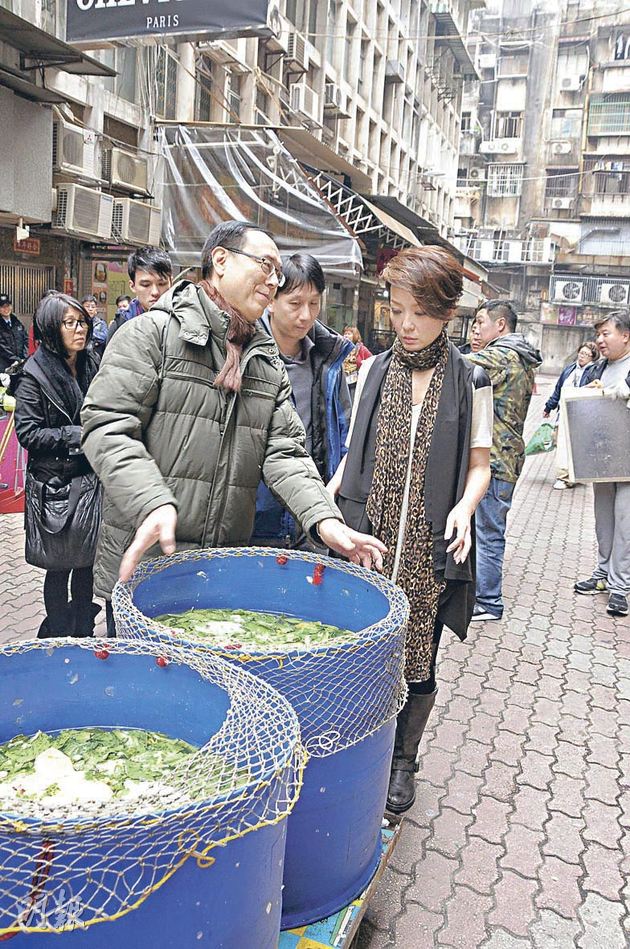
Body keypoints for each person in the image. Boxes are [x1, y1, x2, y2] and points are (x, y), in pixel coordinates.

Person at [81, 221, 386, 636]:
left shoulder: (262, 362)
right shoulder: (152, 334)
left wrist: (325, 521)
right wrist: (151, 501)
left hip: (219, 572)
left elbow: (286, 452)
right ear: (220, 261)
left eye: (277, 272)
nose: (273, 280)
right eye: (266, 264)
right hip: (146, 564)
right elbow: (107, 425)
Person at [328, 246, 492, 814]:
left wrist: (465, 509)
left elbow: (479, 464)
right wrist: (330, 498)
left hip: (428, 548)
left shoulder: (473, 380)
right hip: (371, 539)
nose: (405, 324)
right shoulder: (374, 368)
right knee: (361, 648)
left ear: (447, 312)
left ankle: (403, 759)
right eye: (397, 310)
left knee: (420, 658)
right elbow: (354, 450)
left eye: (418, 312)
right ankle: (361, 746)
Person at [14, 293, 101, 637]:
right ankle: (61, 633)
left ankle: (83, 630)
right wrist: (75, 434)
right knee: (59, 569)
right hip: (54, 487)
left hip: (90, 482)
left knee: (87, 567)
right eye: (70, 323)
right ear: (52, 328)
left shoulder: (90, 362)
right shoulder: (33, 375)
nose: (80, 330)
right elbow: (28, 432)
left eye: (82, 322)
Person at [253, 253, 353, 546]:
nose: (306, 315)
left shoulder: (329, 360)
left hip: (312, 517)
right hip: (256, 515)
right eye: (295, 304)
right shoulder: (246, 352)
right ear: (271, 300)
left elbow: (345, 434)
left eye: (314, 303)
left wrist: (329, 493)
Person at [466, 300, 542, 622]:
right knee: (485, 528)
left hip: (496, 460)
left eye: (480, 322)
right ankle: (479, 592)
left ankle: (489, 601)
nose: (476, 329)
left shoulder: (503, 354)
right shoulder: (520, 356)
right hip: (505, 456)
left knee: (488, 532)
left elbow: (457, 364)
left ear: (500, 325)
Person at [574, 311, 630, 617]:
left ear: (626, 336)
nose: (600, 340)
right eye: (599, 334)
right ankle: (602, 574)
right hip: (605, 458)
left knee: (625, 525)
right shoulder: (599, 367)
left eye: (606, 333)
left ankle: (620, 587)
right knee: (603, 522)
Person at [543, 341, 598, 489]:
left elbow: (596, 391)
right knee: (561, 443)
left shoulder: (595, 371)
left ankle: (566, 477)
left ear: (592, 357)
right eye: (581, 353)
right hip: (564, 412)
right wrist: (549, 407)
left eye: (587, 355)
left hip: (582, 415)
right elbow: (558, 390)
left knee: (574, 446)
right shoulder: (569, 369)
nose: (582, 357)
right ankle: (567, 475)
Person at [106, 247, 173, 345]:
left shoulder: (183, 321)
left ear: (171, 282)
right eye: (146, 285)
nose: (155, 292)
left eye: (161, 284)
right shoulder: (121, 324)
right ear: (132, 286)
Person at [0, 293, 28, 373]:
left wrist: (24, 357)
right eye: (2, 307)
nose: (6, 309)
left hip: (20, 364)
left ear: (11, 306)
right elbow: (2, 347)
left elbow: (26, 339)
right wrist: (15, 359)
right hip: (5, 366)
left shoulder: (17, 322)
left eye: (8, 306)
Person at [342, 326, 372, 396]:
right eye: (345, 333)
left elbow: (372, 360)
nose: (346, 336)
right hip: (342, 382)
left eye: (349, 334)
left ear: (355, 336)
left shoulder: (361, 349)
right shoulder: (341, 347)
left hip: (355, 383)